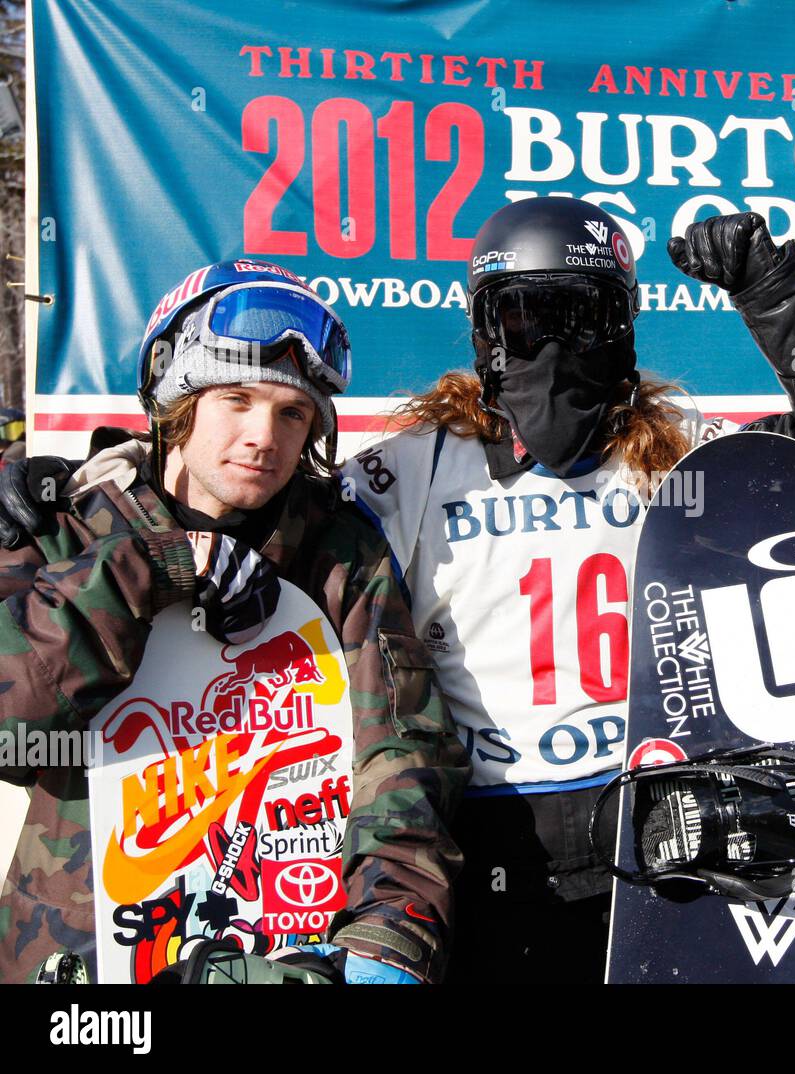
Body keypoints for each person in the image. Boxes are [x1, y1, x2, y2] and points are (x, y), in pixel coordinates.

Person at [342, 198, 795, 982]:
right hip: (492, 831)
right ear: (486, 334)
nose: (556, 347)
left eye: (584, 317)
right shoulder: (414, 473)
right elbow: (277, 536)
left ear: (625, 329)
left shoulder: (675, 456)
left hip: (657, 818)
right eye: (527, 318)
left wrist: (773, 293)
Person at [0, 261, 466, 984]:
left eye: (293, 414)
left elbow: (401, 756)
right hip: (74, 961)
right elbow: (10, 734)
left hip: (280, 961)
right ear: (176, 403)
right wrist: (150, 567)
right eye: (236, 400)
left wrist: (388, 937)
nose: (264, 437)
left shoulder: (337, 552)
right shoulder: (65, 528)